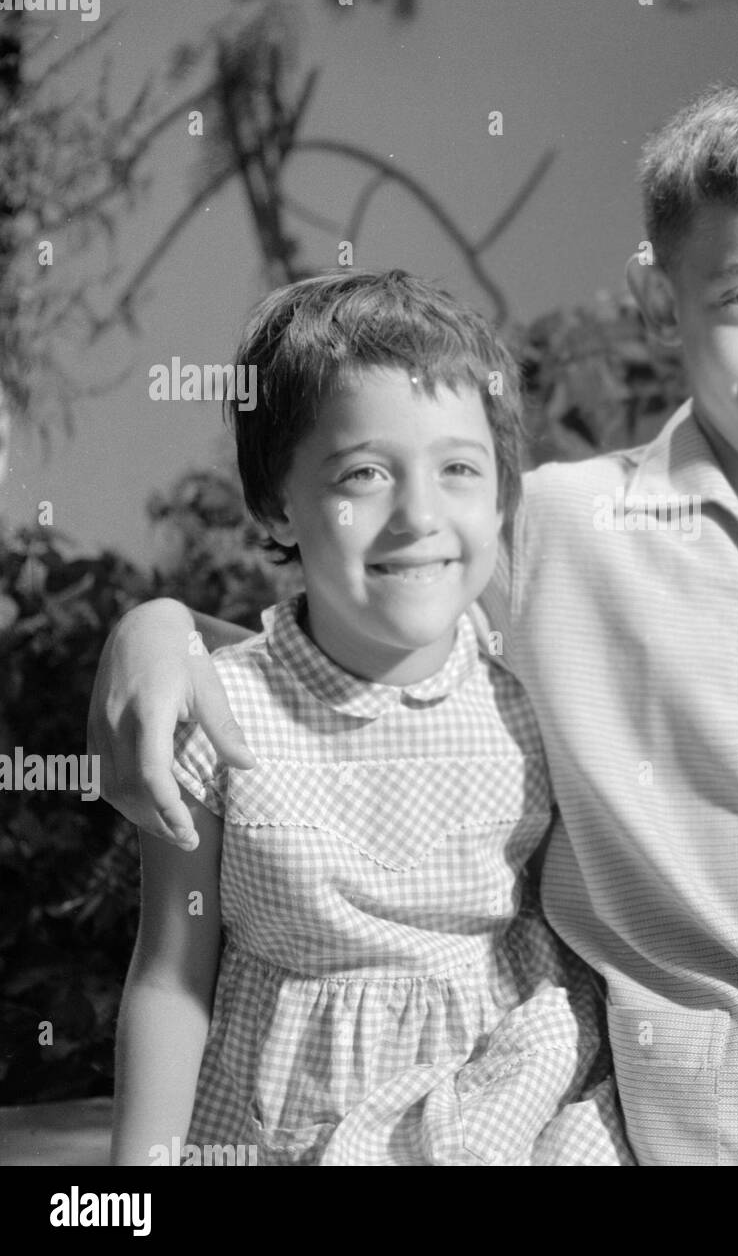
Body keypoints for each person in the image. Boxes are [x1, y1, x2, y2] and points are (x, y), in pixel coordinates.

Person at [94, 77, 738, 1165]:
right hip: (686, 1139)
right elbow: (357, 649)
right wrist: (156, 626)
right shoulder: (558, 527)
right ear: (660, 302)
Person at [108, 271, 629, 1166]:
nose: (419, 516)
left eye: (460, 470)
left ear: (503, 493)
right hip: (280, 1132)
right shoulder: (216, 715)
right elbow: (171, 977)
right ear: (277, 500)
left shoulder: (534, 703)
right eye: (364, 475)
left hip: (498, 1117)